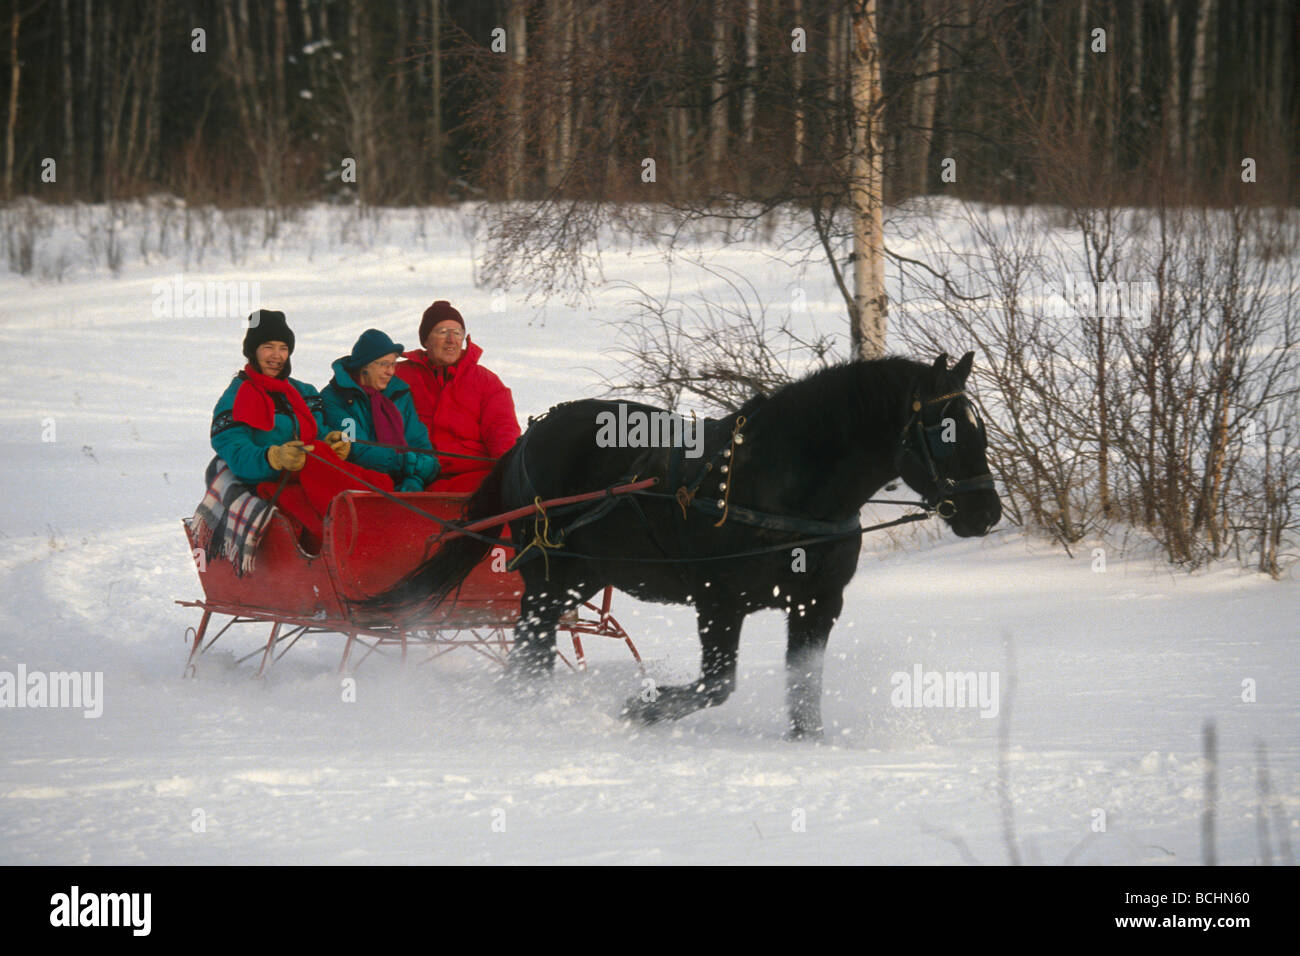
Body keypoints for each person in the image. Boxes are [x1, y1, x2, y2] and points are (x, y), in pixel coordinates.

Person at [210, 309, 394, 551]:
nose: (277, 355)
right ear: (253, 350)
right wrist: (274, 457)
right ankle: (367, 534)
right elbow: (236, 453)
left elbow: (316, 432)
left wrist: (333, 442)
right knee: (321, 513)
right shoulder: (234, 399)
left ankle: (383, 515)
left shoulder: (303, 392)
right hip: (271, 484)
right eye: (268, 346)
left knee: (323, 454)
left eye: (283, 348)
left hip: (314, 477)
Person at [394, 300, 521, 493]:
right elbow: (355, 402)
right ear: (426, 339)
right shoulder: (397, 376)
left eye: (458, 332)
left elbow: (502, 429)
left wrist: (508, 471)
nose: (451, 340)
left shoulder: (486, 382)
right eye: (442, 332)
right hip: (411, 475)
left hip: (472, 478)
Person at [321, 329, 440, 492]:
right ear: (364, 366)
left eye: (393, 364)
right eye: (384, 364)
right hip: (361, 485)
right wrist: (406, 463)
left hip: (404, 478)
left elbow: (420, 445)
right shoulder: (336, 397)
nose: (390, 371)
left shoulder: (399, 394)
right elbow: (356, 450)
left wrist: (415, 479)